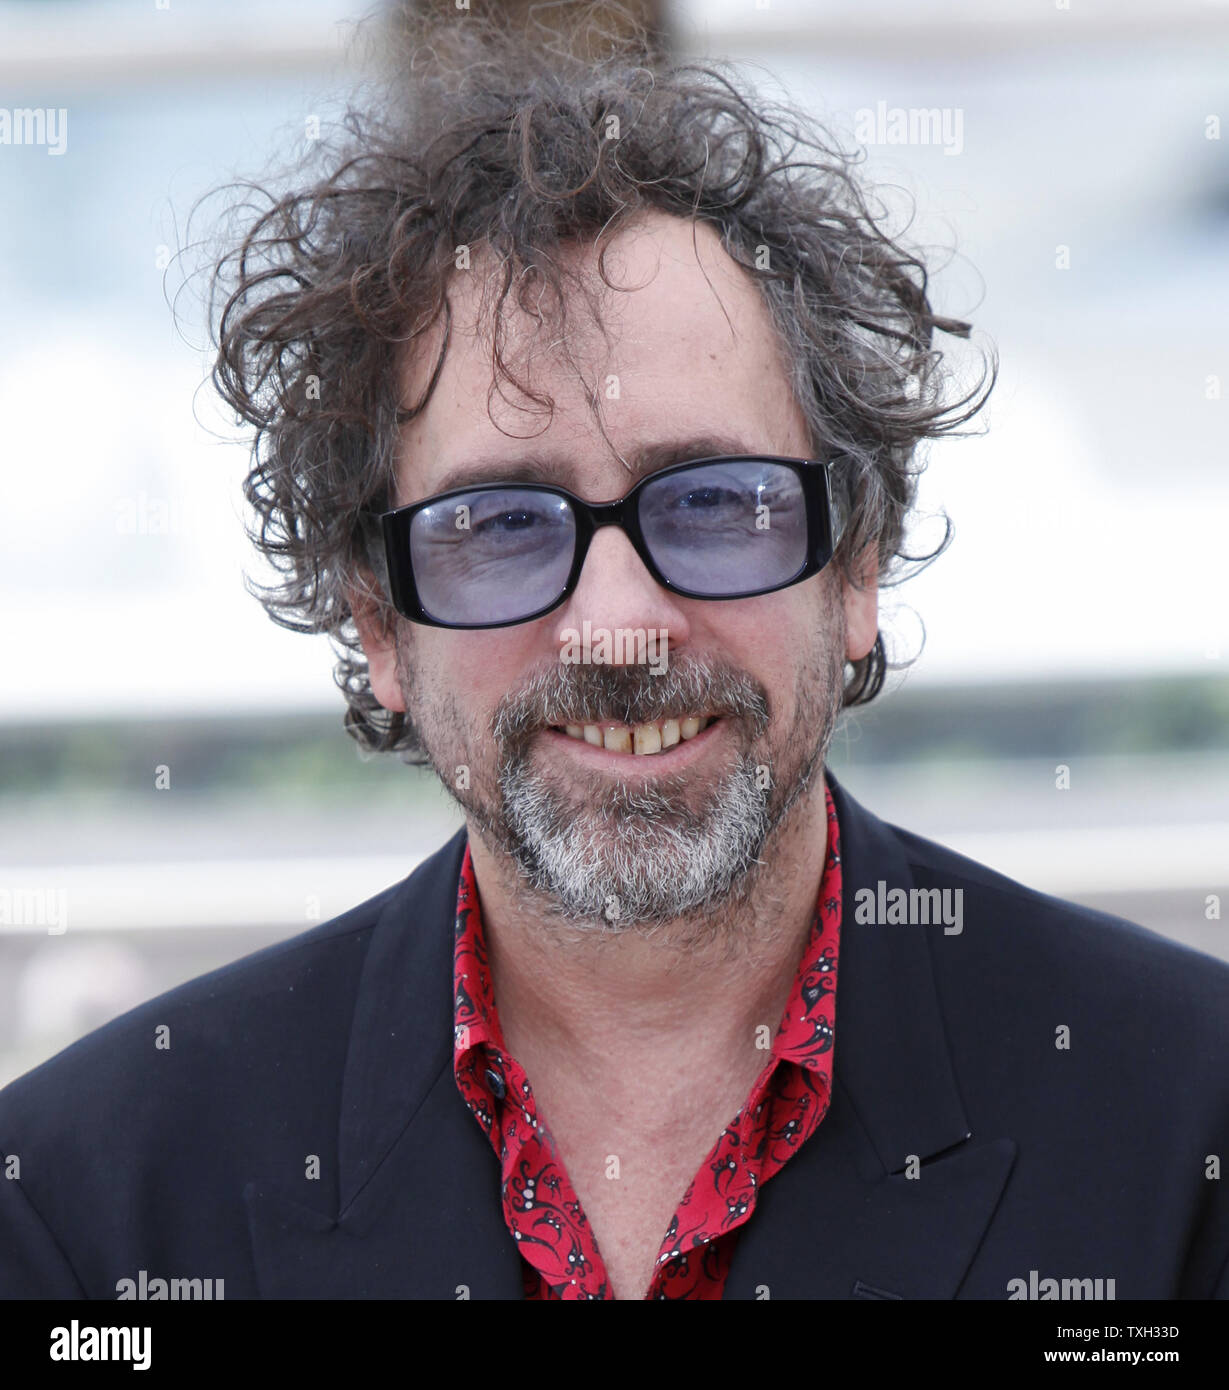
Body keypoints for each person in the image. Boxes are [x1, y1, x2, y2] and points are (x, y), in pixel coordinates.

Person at [2, 11, 1226, 1302]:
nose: (617, 623)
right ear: (378, 626)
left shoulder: (1193, 1125)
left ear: (855, 567)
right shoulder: (86, 1206)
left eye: (710, 501)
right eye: (497, 526)